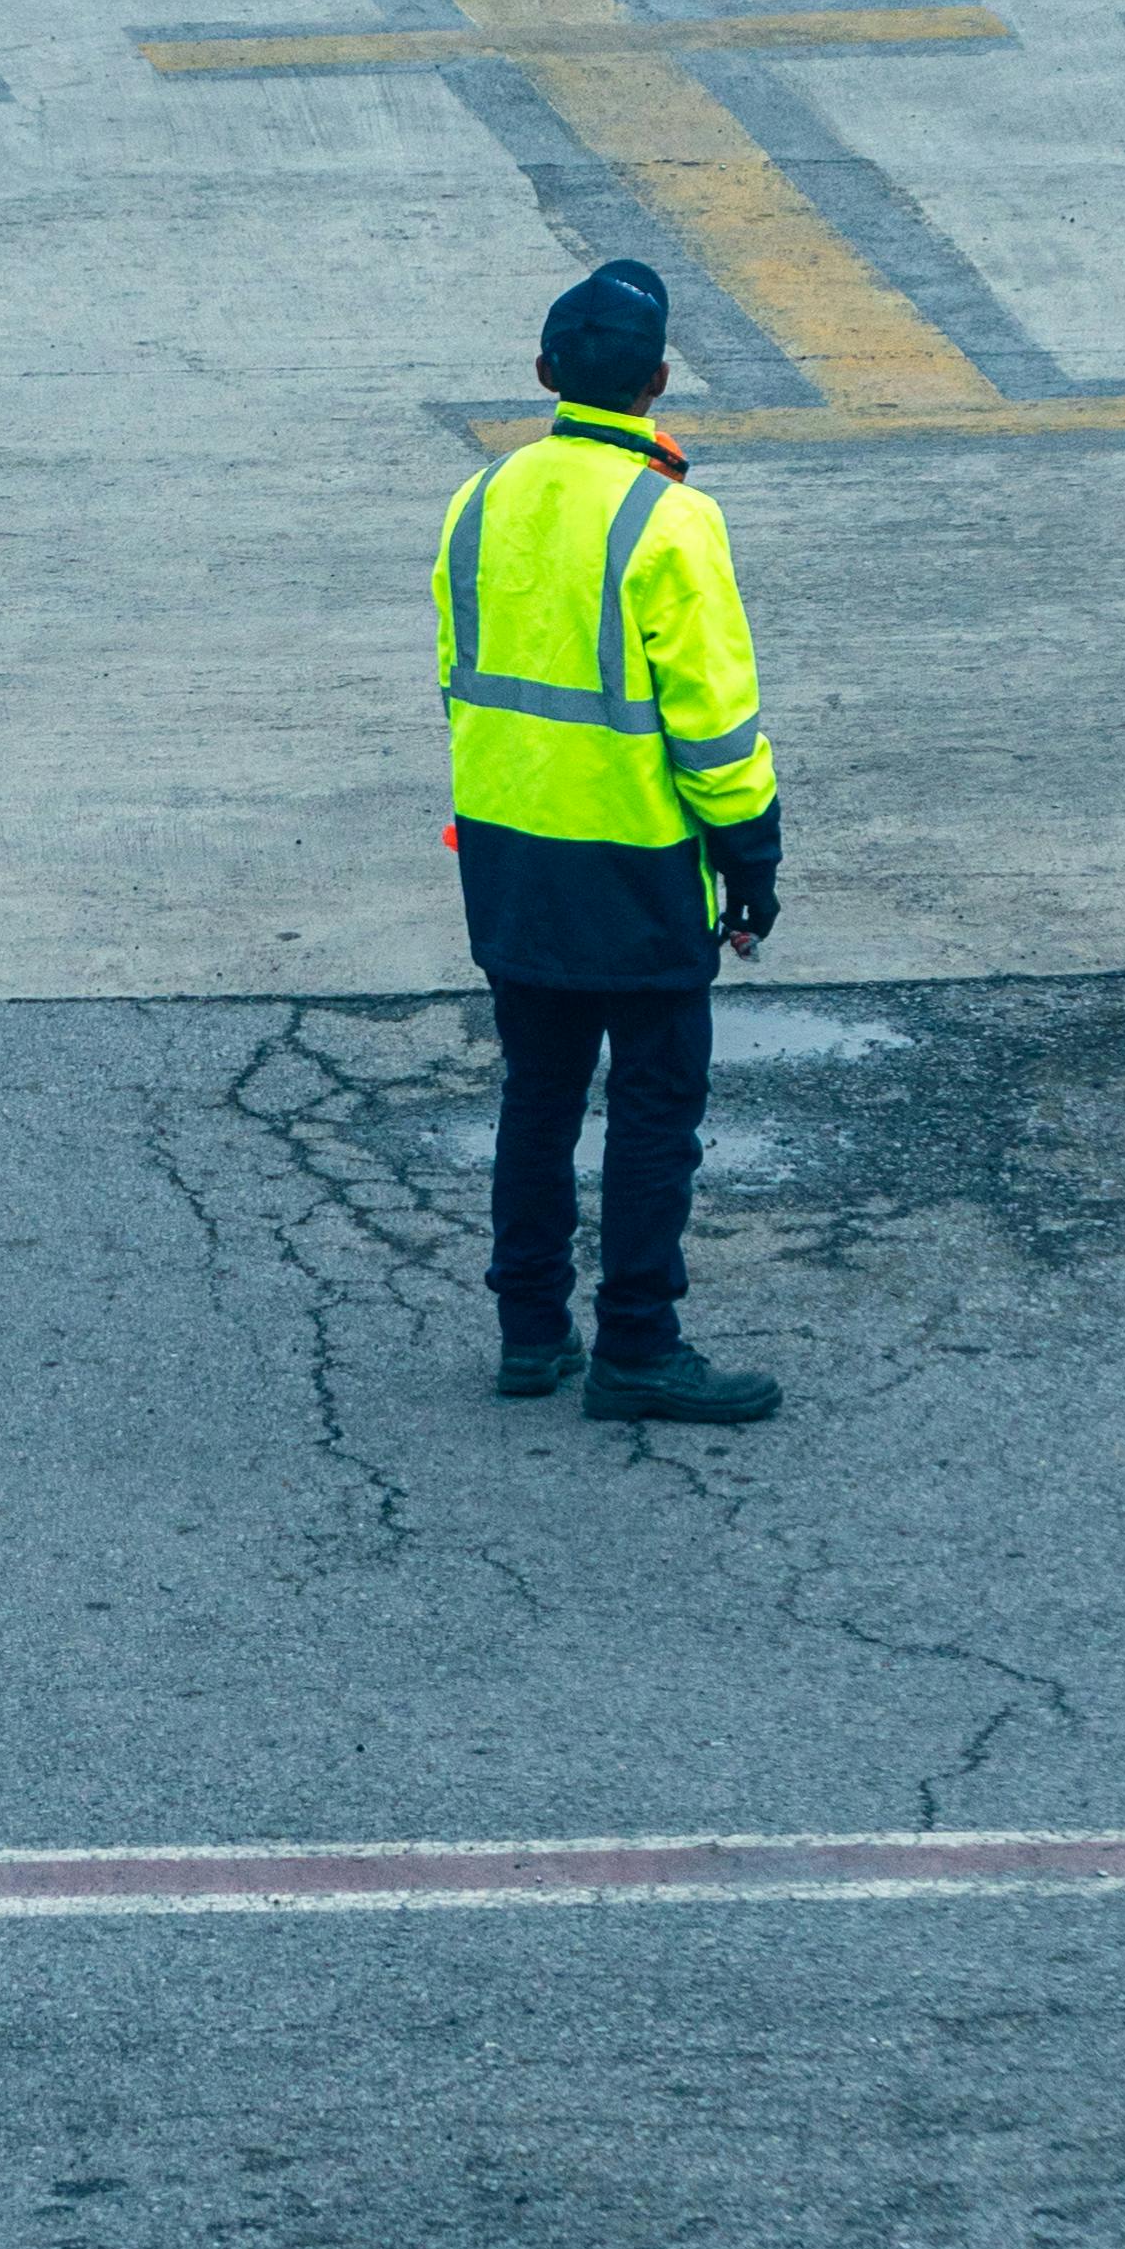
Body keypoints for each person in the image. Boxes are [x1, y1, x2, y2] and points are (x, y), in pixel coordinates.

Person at [432, 260, 784, 1424]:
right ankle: (637, 1341)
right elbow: (714, 723)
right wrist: (752, 858)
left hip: (507, 858)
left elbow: (457, 676)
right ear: (659, 382)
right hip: (633, 866)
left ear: (543, 376)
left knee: (536, 1093)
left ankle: (529, 1332)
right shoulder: (670, 519)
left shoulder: (477, 499)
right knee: (650, 1108)